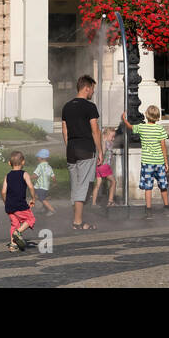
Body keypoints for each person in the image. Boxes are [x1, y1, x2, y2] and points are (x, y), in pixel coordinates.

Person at [62, 74, 104, 231]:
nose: (93, 92)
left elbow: (64, 130)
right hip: (86, 149)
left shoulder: (67, 106)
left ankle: (77, 218)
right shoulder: (90, 107)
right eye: (92, 89)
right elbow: (95, 130)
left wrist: (69, 145)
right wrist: (100, 151)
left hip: (71, 149)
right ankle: (78, 222)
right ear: (87, 88)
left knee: (75, 185)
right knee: (83, 185)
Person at [121, 106, 169, 215]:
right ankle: (166, 206)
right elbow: (163, 146)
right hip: (159, 161)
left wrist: (124, 118)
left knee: (148, 186)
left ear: (147, 115)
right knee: (163, 185)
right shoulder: (160, 129)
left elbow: (130, 126)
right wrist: (166, 162)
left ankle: (148, 209)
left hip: (147, 162)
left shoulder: (142, 127)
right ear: (157, 116)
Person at [0, 151, 37, 252]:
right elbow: (31, 187)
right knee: (31, 219)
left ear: (9, 163)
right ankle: (18, 232)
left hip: (10, 206)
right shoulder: (24, 174)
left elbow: (3, 192)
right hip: (20, 205)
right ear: (23, 162)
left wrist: (6, 202)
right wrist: (33, 198)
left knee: (14, 223)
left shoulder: (7, 176)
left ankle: (12, 245)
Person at [92, 128, 119, 207]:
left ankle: (93, 203)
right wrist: (103, 141)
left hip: (99, 167)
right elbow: (102, 152)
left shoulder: (104, 142)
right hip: (104, 166)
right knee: (113, 182)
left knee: (98, 184)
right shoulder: (106, 143)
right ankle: (110, 201)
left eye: (114, 137)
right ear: (106, 136)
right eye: (112, 136)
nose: (113, 139)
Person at [32, 148, 56, 215]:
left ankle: (52, 210)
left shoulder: (40, 166)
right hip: (45, 187)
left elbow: (35, 175)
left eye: (38, 157)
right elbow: (53, 176)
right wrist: (54, 183)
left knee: (42, 199)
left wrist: (28, 177)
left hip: (40, 187)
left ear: (41, 158)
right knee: (37, 197)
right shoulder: (49, 167)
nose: (37, 158)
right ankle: (44, 209)